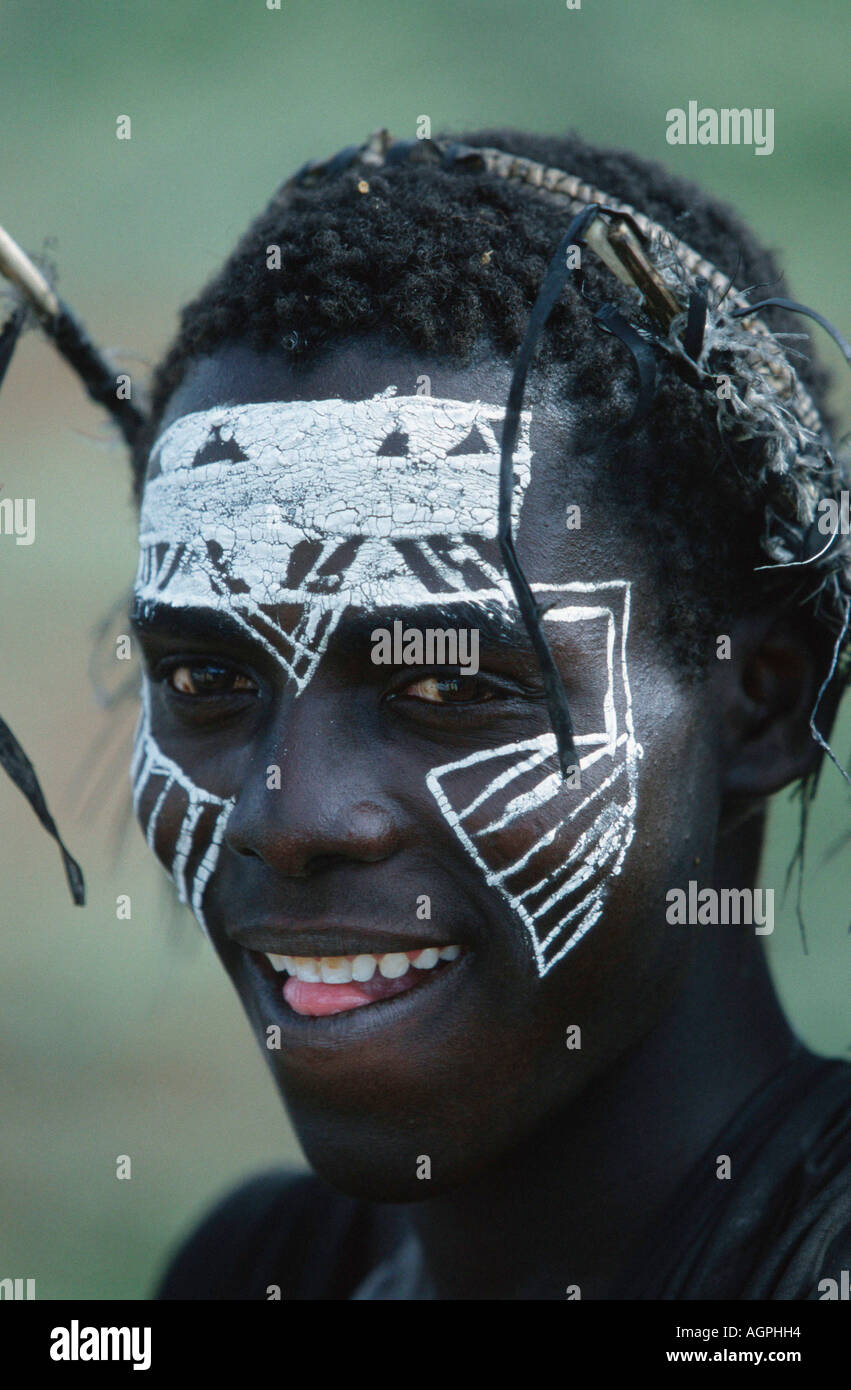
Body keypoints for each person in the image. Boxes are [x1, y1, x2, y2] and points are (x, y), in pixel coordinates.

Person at [8, 126, 851, 1299]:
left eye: (447, 686)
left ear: (762, 704)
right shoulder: (257, 1269)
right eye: (208, 681)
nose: (290, 814)